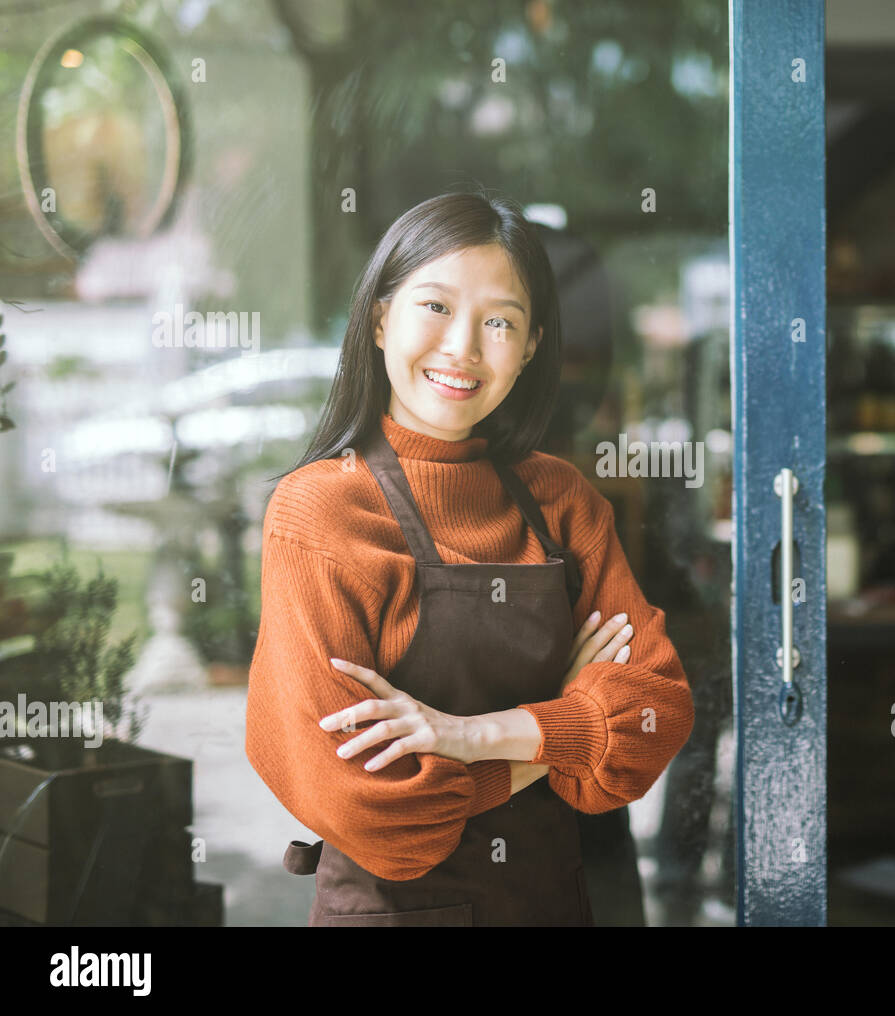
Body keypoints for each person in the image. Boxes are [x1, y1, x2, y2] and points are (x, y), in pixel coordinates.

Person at [244, 189, 695, 926]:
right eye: (435, 307)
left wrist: (465, 735)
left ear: (531, 346)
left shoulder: (563, 501)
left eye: (499, 322)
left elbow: (657, 716)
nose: (463, 347)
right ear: (381, 316)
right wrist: (562, 736)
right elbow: (370, 810)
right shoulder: (320, 511)